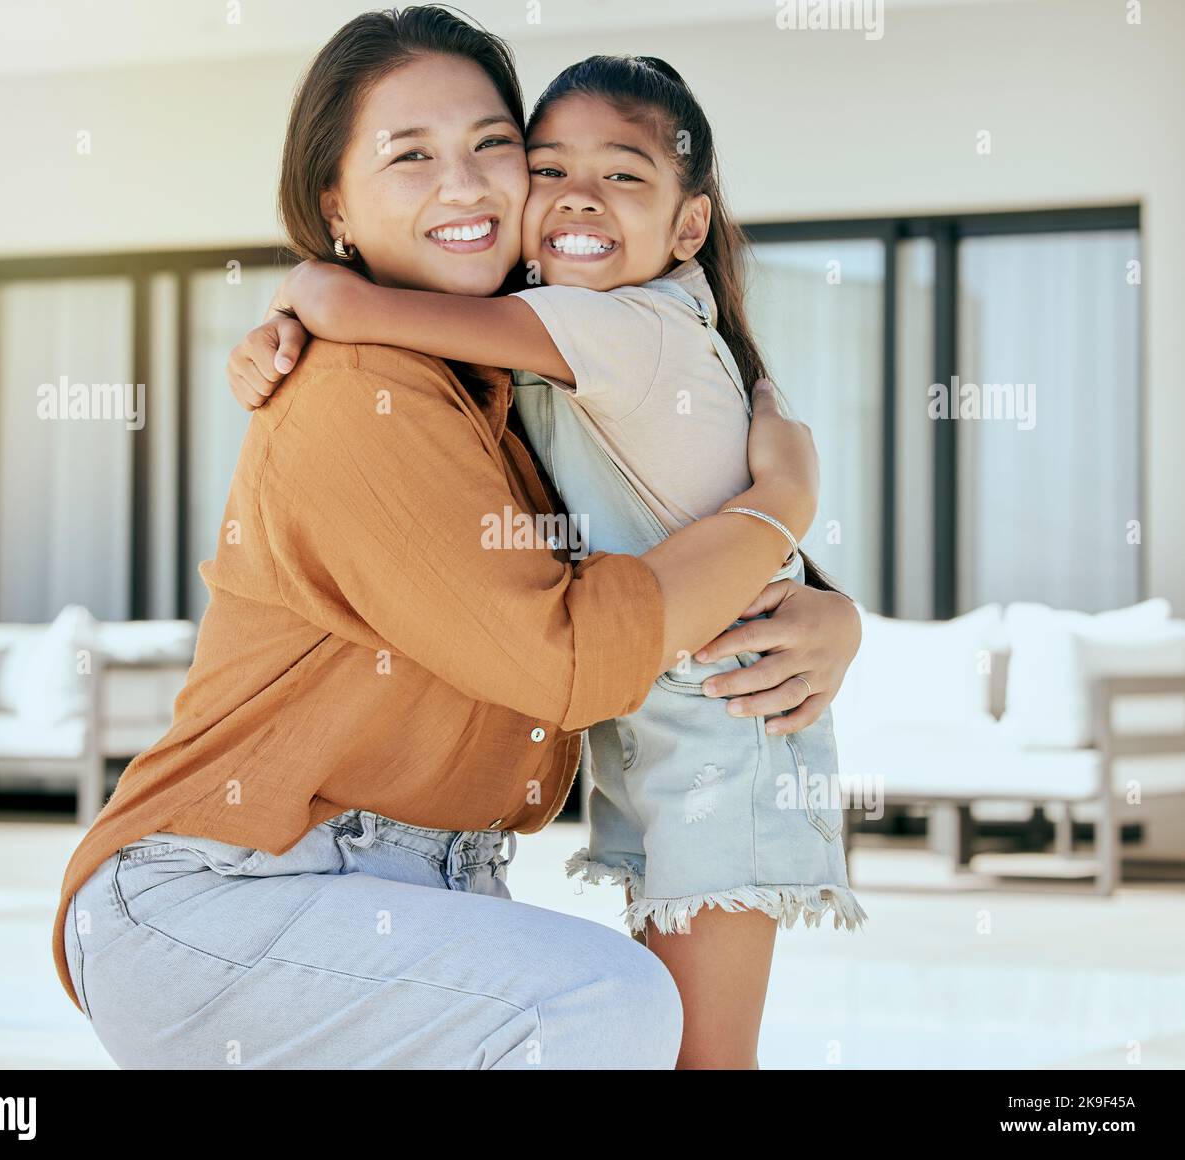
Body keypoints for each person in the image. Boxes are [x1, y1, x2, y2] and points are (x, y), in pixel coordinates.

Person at [54, 6, 861, 1070]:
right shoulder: (356, 390)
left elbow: (654, 526)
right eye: (411, 157)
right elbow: (570, 655)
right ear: (333, 201)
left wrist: (827, 609)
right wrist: (775, 517)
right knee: (602, 1002)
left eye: (492, 146)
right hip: (227, 895)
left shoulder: (522, 389)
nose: (467, 186)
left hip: (396, 893)